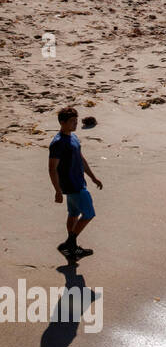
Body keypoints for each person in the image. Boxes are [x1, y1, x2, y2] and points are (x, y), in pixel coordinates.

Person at [48, 106, 103, 259]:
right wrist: (57, 190)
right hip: (73, 185)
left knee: (73, 214)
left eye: (76, 121)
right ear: (62, 122)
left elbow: (80, 158)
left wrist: (92, 177)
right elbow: (52, 169)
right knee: (89, 213)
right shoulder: (58, 143)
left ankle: (72, 248)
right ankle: (69, 244)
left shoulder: (73, 137)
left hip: (79, 181)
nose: (75, 124)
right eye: (72, 121)